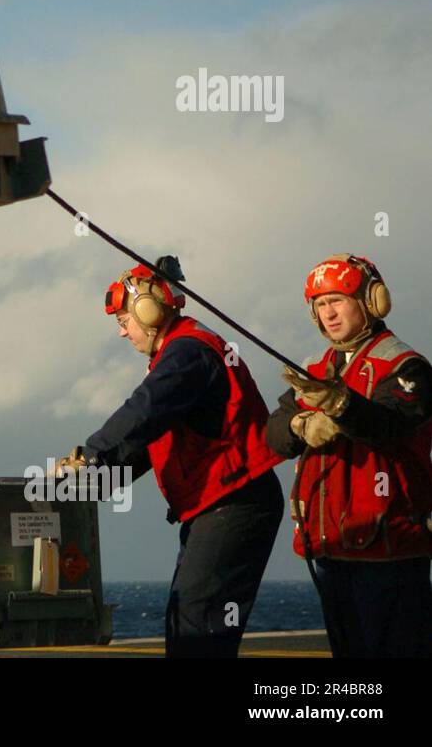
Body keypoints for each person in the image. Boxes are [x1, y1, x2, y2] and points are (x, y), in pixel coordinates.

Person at [69, 261, 283, 657]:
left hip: (232, 503)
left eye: (123, 320)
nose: (121, 332)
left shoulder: (188, 352)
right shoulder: (184, 352)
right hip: (223, 505)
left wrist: (90, 456)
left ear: (148, 311)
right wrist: (92, 483)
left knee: (197, 632)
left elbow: (145, 410)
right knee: (189, 624)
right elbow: (152, 437)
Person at [266, 253, 432, 657]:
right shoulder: (314, 368)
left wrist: (340, 407)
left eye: (337, 300)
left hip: (390, 546)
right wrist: (300, 426)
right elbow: (273, 434)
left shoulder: (407, 367)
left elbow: (389, 428)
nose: (329, 314)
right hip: (331, 544)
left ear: (372, 302)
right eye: (320, 306)